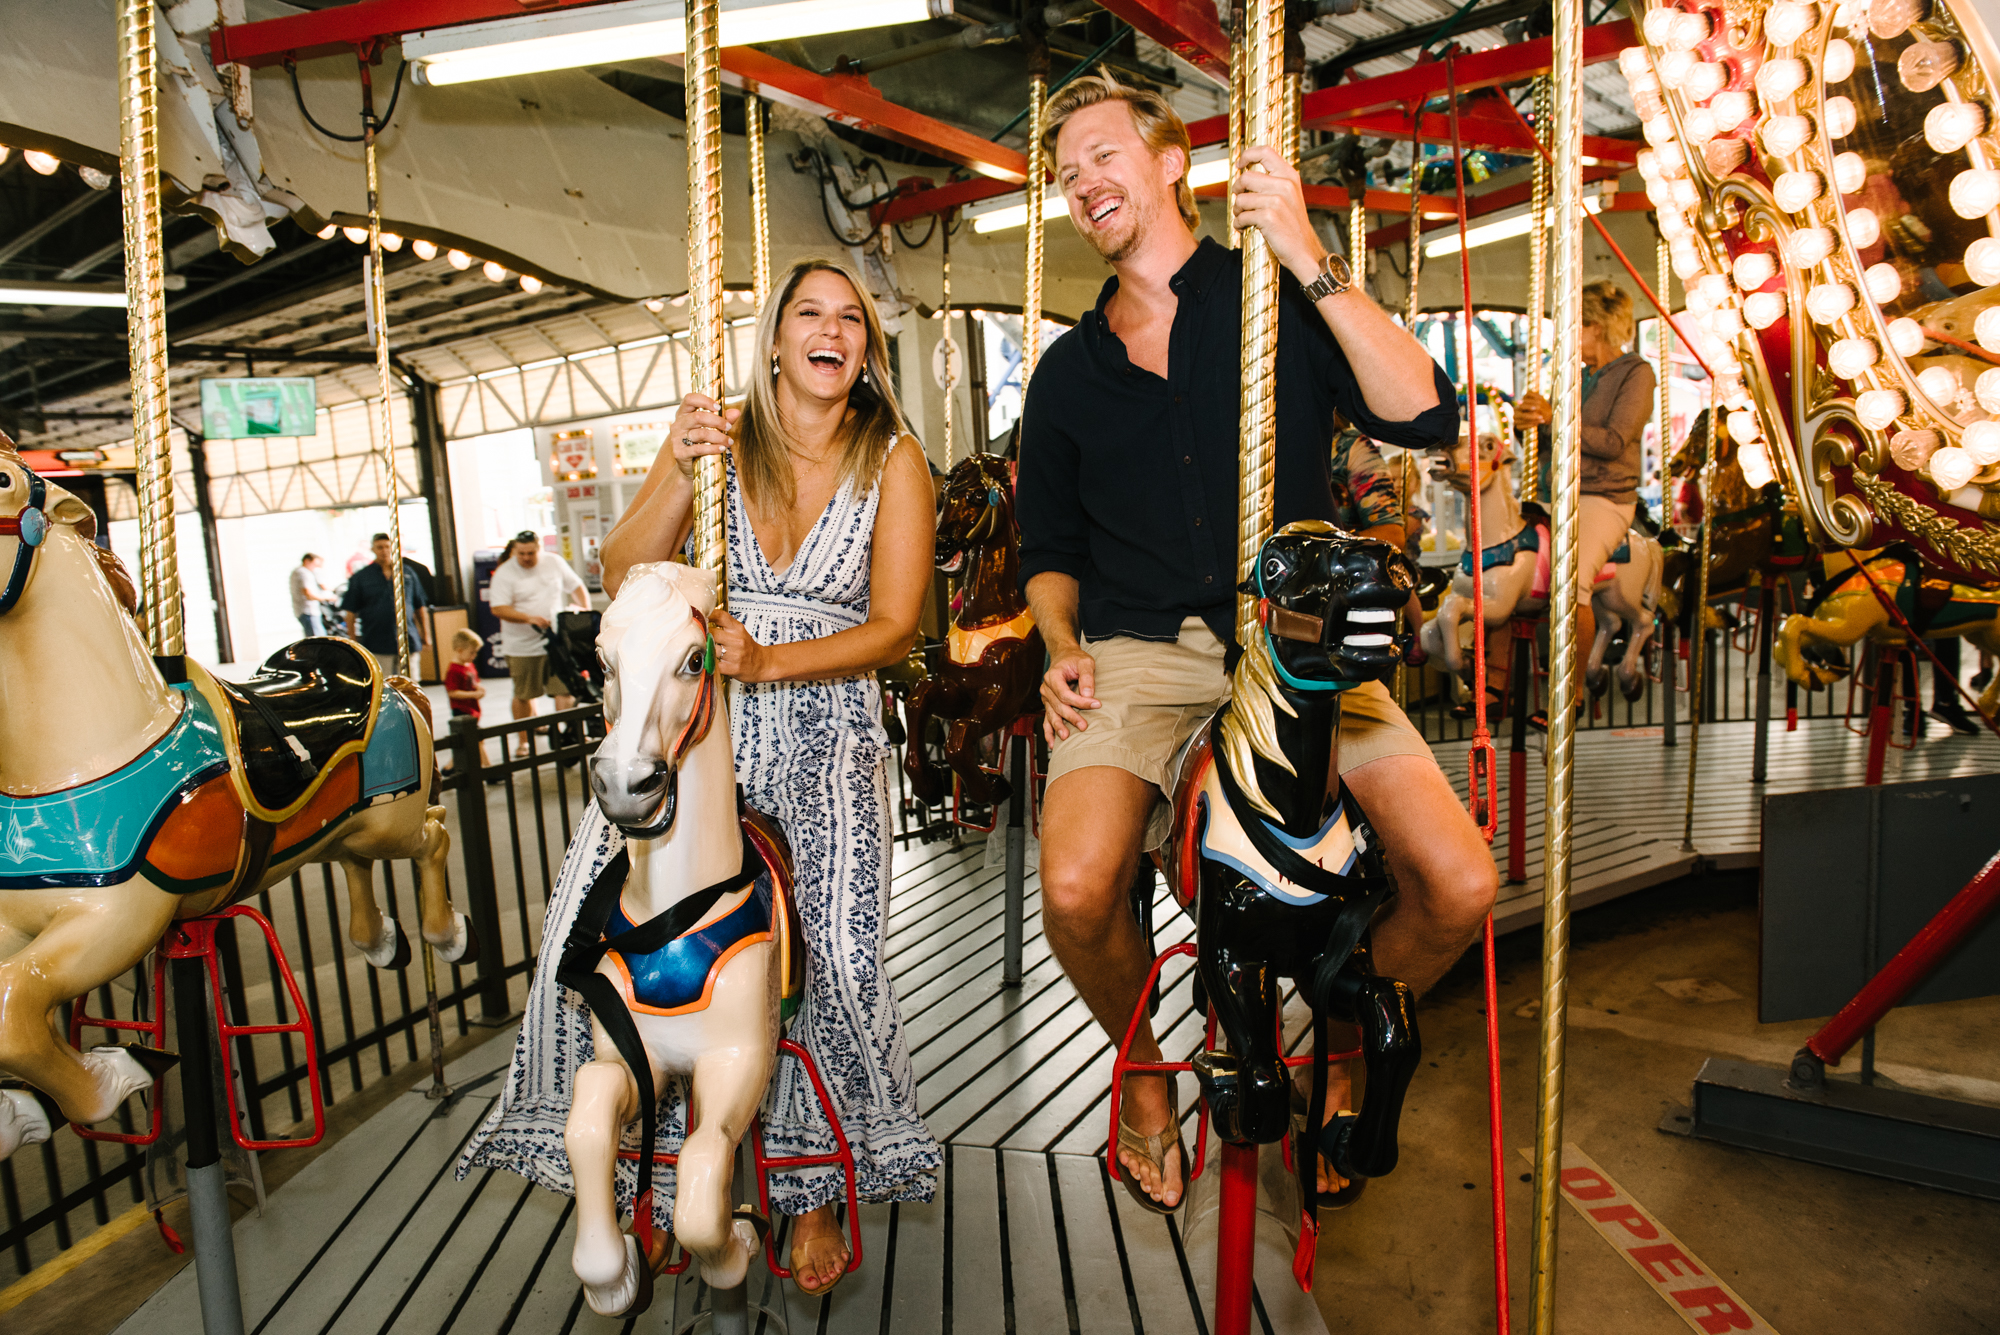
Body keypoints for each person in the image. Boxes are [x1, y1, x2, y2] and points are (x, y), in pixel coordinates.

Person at [1015, 72, 1497, 1214]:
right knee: (1077, 888)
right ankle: (1139, 1074)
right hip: (1138, 651)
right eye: (1063, 173)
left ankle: (1338, 1024)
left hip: (1287, 644)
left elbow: (1419, 410)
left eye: (1101, 153)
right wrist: (1054, 644)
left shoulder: (1269, 298)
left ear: (1169, 161)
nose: (1083, 182)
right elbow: (1048, 542)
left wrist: (1307, 254)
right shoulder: (1066, 373)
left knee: (1458, 882)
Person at [463, 257, 940, 1298]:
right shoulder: (719, 442)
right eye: (808, 313)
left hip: (820, 716)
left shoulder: (891, 458)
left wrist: (765, 659)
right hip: (694, 720)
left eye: (851, 318)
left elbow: (897, 626)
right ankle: (662, 1156)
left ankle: (812, 1176)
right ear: (772, 339)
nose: (831, 330)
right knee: (589, 941)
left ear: (867, 348)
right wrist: (682, 467)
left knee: (832, 958)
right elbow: (626, 569)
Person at [1513, 279, 1657, 681]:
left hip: (1603, 496)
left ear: (1599, 325)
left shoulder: (1637, 373)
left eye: (1577, 324)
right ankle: (1491, 689)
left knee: (1570, 584)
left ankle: (1569, 692)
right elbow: (1551, 440)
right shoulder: (1574, 374)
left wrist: (1555, 418)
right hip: (1553, 493)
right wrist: (1527, 425)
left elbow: (1613, 441)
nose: (1570, 335)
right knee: (1499, 564)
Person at [488, 532, 591, 758]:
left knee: (564, 689)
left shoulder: (553, 562)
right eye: (521, 553)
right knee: (525, 694)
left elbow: (576, 585)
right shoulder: (505, 573)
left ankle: (570, 735)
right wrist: (528, 618)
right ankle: (524, 741)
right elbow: (498, 608)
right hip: (521, 646)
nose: (526, 558)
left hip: (554, 641)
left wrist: (584, 611)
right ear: (515, 550)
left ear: (539, 548)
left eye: (531, 553)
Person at [340, 533, 429, 678]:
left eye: (387, 547)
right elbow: (350, 613)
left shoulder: (407, 573)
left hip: (407, 639)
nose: (384, 551)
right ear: (373, 549)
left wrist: (426, 635)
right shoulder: (361, 577)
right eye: (380, 547)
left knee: (411, 684)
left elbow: (420, 605)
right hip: (377, 641)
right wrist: (353, 641)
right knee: (383, 683)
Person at [442, 627, 497, 776]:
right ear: (459, 650)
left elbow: (474, 681)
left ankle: (449, 767)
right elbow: (453, 692)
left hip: (472, 709)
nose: (474, 656)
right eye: (471, 652)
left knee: (468, 741)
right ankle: (488, 769)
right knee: (477, 740)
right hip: (462, 710)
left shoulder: (469, 666)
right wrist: (473, 695)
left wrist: (479, 689)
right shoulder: (454, 670)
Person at [290, 553, 335, 638]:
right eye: (315, 565)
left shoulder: (298, 571)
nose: (316, 568)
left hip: (304, 611)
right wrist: (327, 597)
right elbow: (309, 594)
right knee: (318, 640)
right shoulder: (303, 573)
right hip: (308, 611)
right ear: (307, 561)